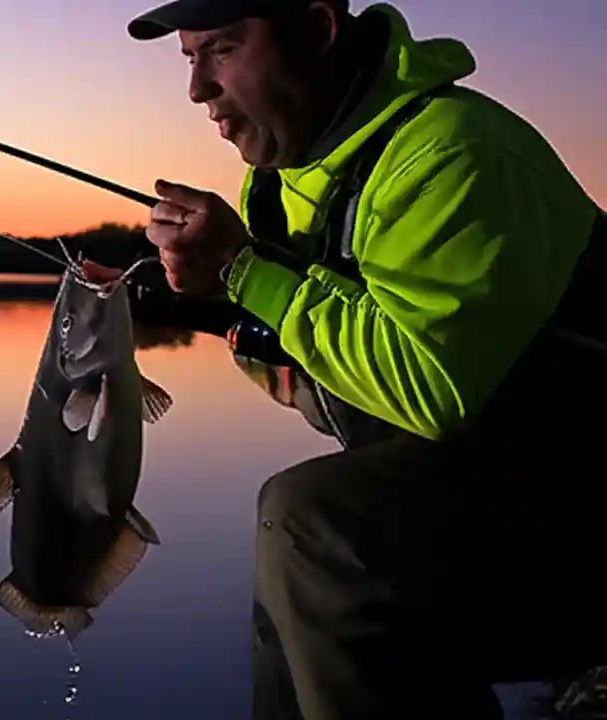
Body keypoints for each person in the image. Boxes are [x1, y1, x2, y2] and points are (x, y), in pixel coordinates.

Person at [120, 0, 607, 717]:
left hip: (583, 523)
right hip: (511, 508)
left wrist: (242, 272)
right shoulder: (292, 183)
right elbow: (328, 358)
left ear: (318, 30)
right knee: (292, 575)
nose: (197, 88)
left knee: (311, 523)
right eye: (188, 57)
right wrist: (192, 302)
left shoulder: (455, 154)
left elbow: (429, 389)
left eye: (222, 49)